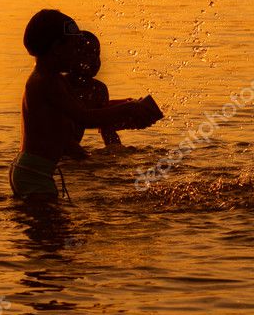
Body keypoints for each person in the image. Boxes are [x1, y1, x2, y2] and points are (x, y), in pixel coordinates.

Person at [10, 10, 163, 200]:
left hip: (31, 170)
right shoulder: (47, 82)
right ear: (57, 48)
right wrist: (129, 109)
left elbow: (86, 114)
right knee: (54, 229)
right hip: (35, 175)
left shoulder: (52, 79)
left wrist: (127, 112)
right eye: (74, 48)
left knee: (54, 227)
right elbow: (85, 118)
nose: (78, 57)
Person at [66, 31, 123, 151]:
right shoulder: (60, 86)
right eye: (86, 54)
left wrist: (118, 152)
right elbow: (83, 118)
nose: (94, 60)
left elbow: (107, 129)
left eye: (97, 54)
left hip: (73, 153)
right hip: (55, 153)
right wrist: (125, 110)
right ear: (69, 57)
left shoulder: (98, 90)